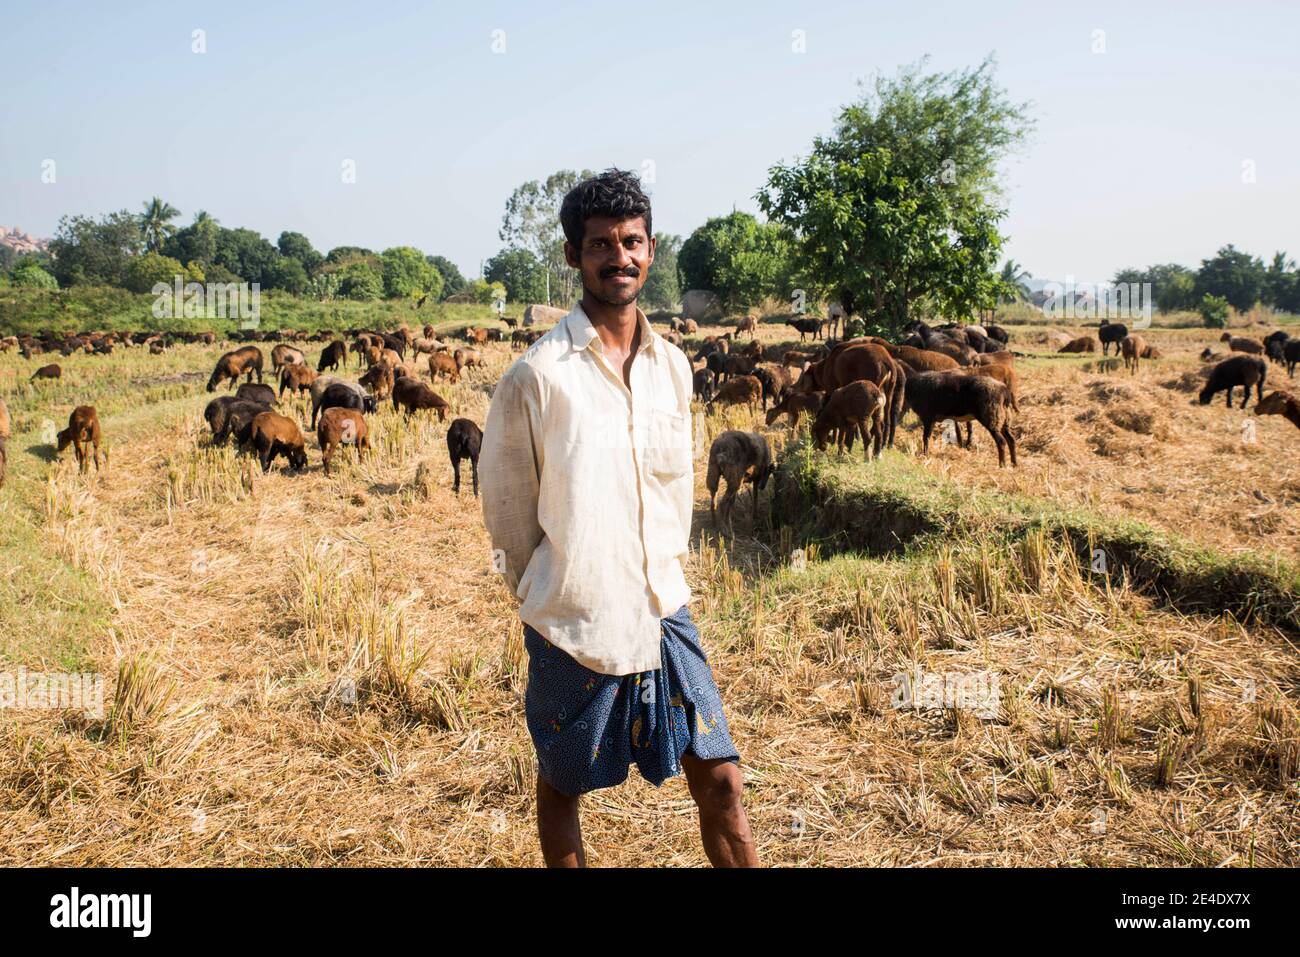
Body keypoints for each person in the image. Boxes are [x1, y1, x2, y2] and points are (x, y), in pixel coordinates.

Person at [479, 169, 757, 867]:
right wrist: (546, 588)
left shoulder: (673, 368)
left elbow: (673, 487)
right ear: (574, 256)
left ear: (651, 249)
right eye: (600, 243)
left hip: (664, 605)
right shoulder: (537, 376)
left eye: (631, 241)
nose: (619, 256)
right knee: (564, 781)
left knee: (722, 779)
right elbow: (509, 512)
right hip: (575, 612)